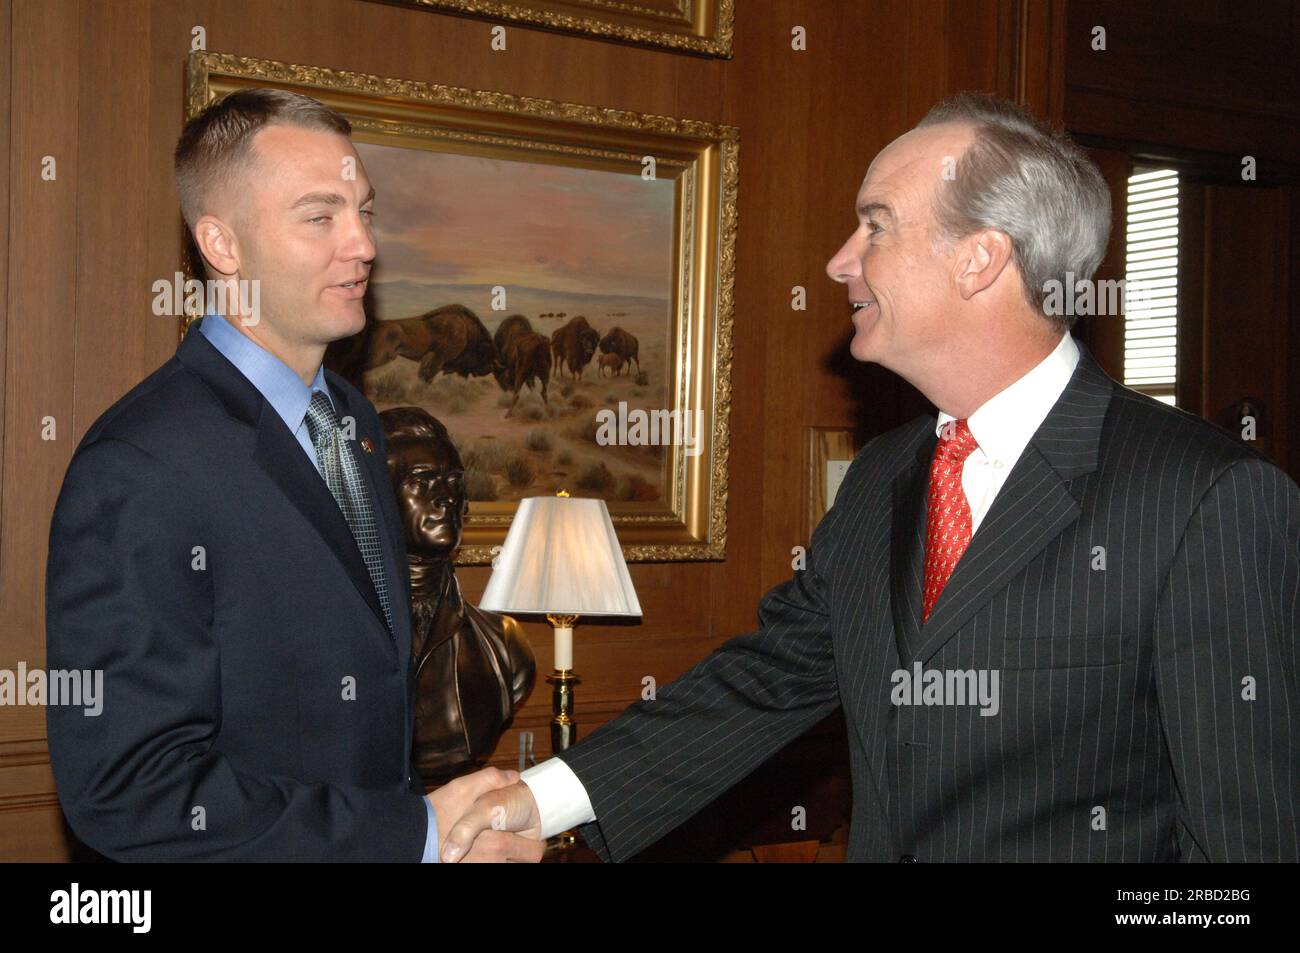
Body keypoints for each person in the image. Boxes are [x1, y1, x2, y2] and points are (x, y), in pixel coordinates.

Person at [441, 92, 1300, 863]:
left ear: (980, 258)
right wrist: (537, 798)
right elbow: (766, 680)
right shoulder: (883, 477)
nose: (840, 260)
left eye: (876, 224)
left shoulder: (1205, 498)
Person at [44, 88, 542, 862]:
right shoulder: (141, 464)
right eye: (321, 217)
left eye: (365, 212)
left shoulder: (359, 423)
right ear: (222, 243)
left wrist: (435, 829)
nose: (363, 244)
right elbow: (133, 789)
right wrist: (412, 833)